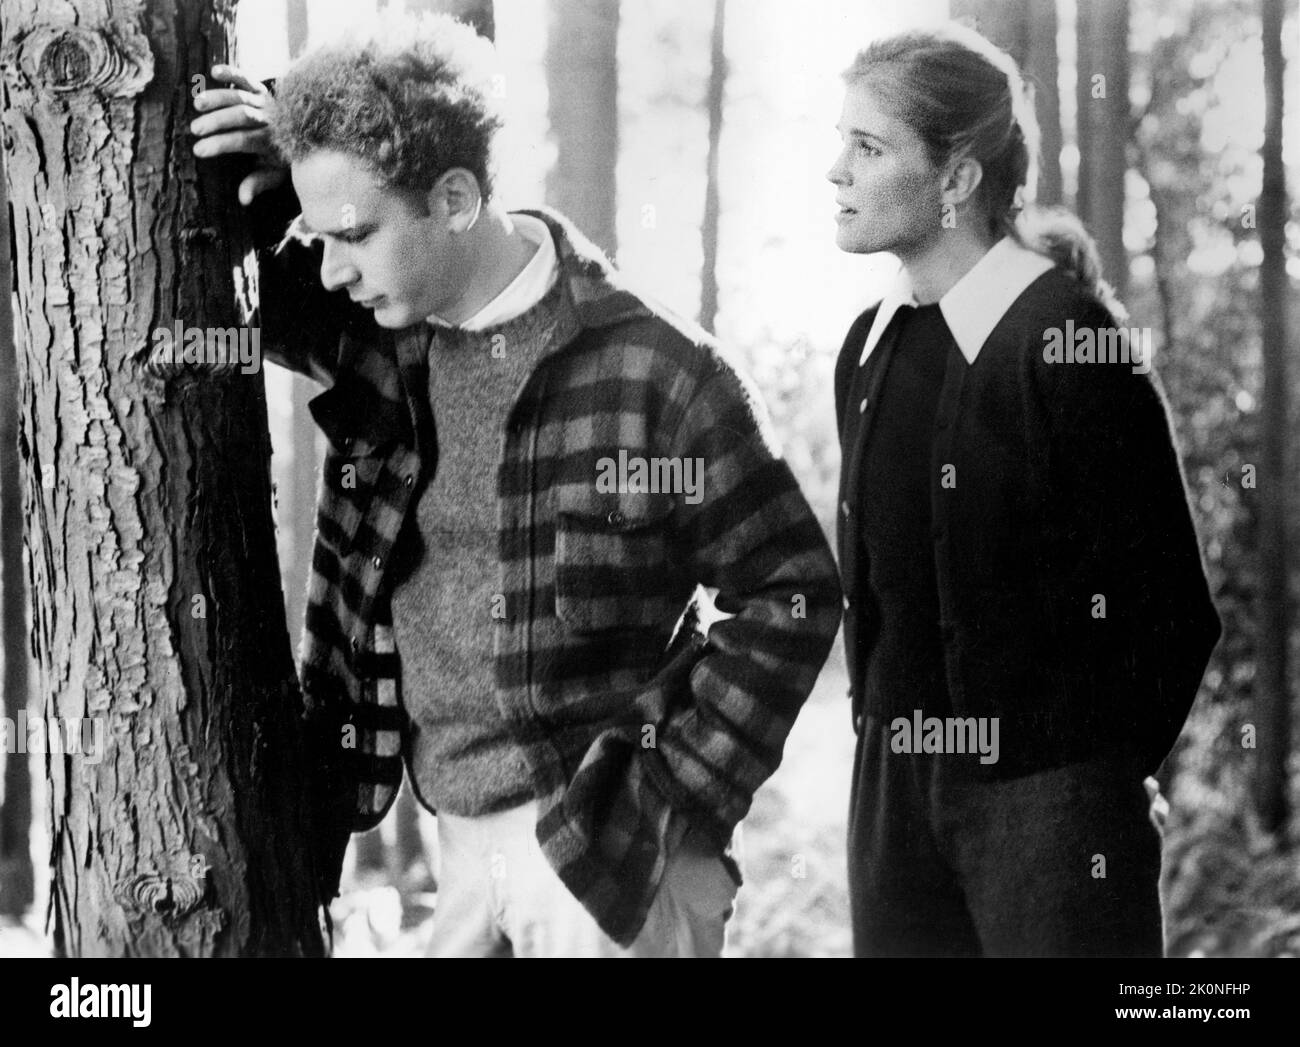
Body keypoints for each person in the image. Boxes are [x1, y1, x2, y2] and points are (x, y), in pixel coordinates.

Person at [189, 13, 842, 957]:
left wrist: (677, 788)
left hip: (613, 860)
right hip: (454, 848)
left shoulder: (660, 373)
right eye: (318, 232)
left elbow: (790, 591)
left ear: (455, 198)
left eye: (354, 234)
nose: (331, 266)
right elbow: (279, 287)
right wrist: (280, 136)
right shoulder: (378, 335)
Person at [826, 23, 1220, 957]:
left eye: (868, 147)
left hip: (1049, 814)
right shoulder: (868, 347)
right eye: (840, 141)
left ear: (958, 179)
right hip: (889, 798)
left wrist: (1081, 782)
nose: (834, 171)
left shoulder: (1067, 340)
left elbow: (1173, 609)